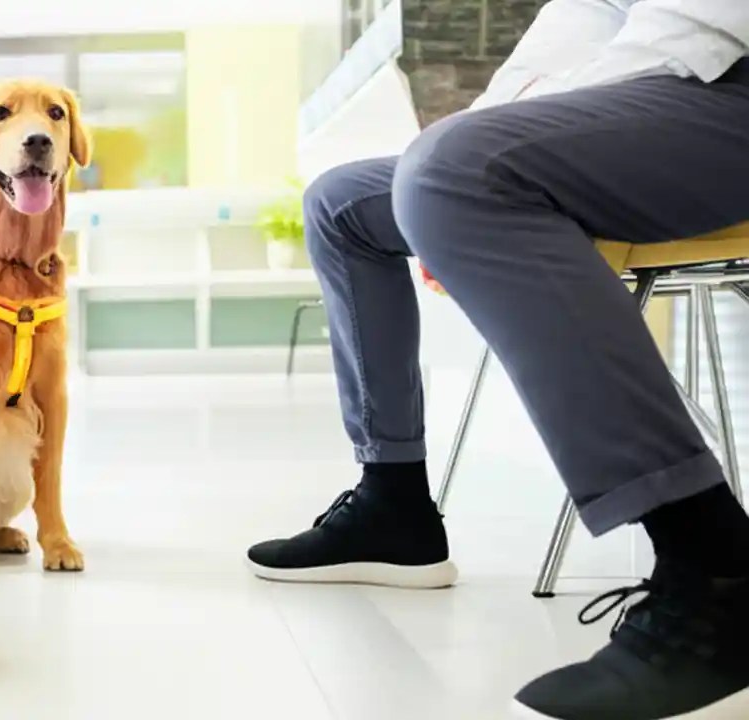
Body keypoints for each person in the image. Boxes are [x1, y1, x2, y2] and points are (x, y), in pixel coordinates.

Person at [246, 1, 749, 717]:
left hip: (723, 80)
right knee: (342, 202)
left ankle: (715, 569)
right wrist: (465, 141)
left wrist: (460, 169)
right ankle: (395, 507)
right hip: (659, 84)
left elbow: (697, 26)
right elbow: (577, 25)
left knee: (457, 174)